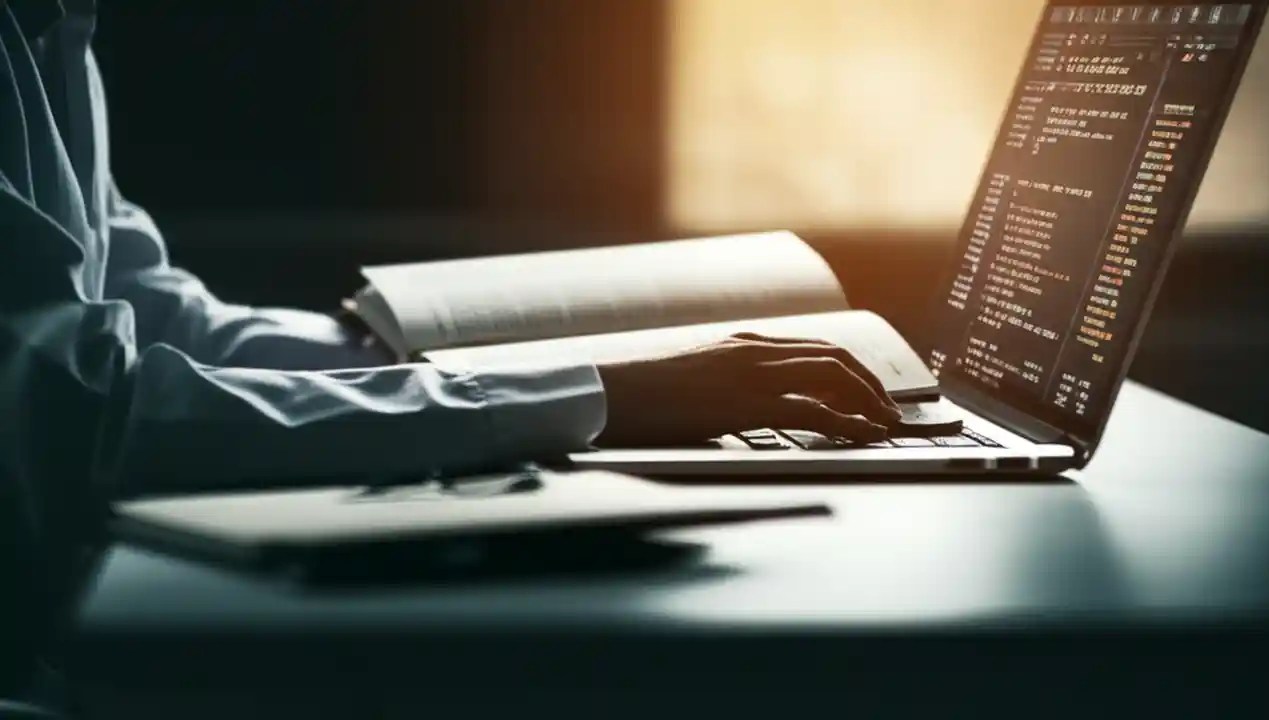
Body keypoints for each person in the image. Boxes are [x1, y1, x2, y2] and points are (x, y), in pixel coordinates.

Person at [0, 0, 901, 706]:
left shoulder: (54, 26)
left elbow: (159, 322)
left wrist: (498, 361)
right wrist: (591, 392)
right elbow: (96, 413)